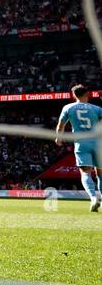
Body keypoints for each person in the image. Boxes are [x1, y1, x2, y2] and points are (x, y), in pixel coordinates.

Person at [57, 83, 102, 212]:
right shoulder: (96, 108)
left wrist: (58, 138)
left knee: (85, 172)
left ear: (74, 95)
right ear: (87, 94)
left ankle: (93, 198)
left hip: (81, 142)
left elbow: (61, 126)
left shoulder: (68, 107)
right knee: (100, 174)